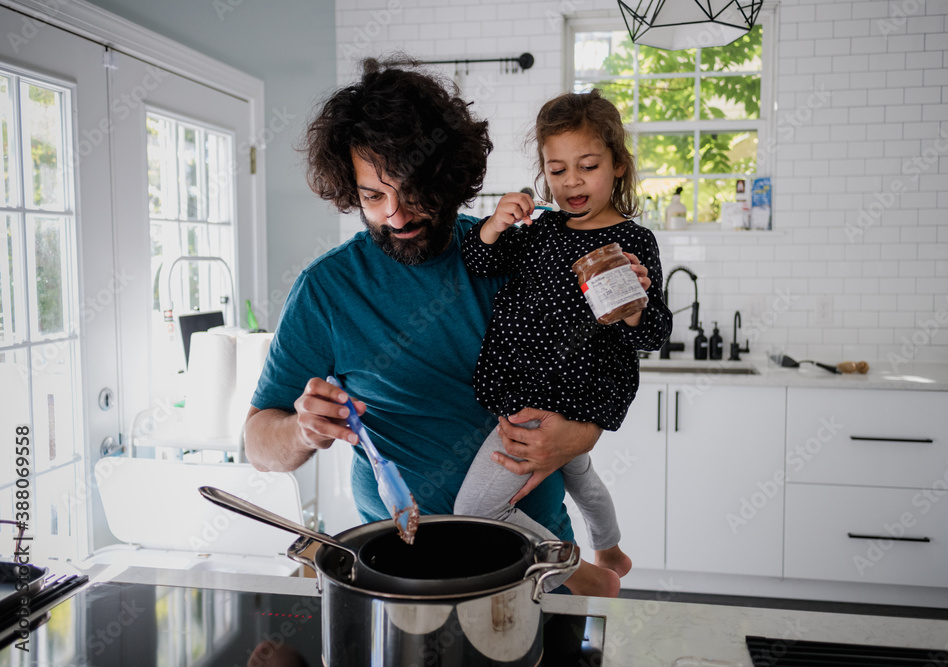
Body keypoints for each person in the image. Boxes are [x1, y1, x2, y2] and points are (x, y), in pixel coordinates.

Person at [243, 58, 617, 594]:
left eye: (410, 189)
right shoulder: (327, 289)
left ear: (446, 174)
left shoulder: (512, 255)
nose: (394, 215)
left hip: (532, 568)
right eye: (373, 196)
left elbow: (595, 365)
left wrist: (581, 432)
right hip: (395, 568)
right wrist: (301, 429)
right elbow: (259, 444)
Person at [453, 89, 671, 594]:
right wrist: (493, 226)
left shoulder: (634, 243)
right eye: (556, 170)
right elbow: (482, 263)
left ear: (617, 165)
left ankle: (583, 576)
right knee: (581, 474)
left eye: (588, 165)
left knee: (476, 510)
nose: (571, 181)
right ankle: (610, 546)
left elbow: (655, 334)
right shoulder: (542, 229)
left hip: (554, 393)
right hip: (531, 384)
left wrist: (637, 309)